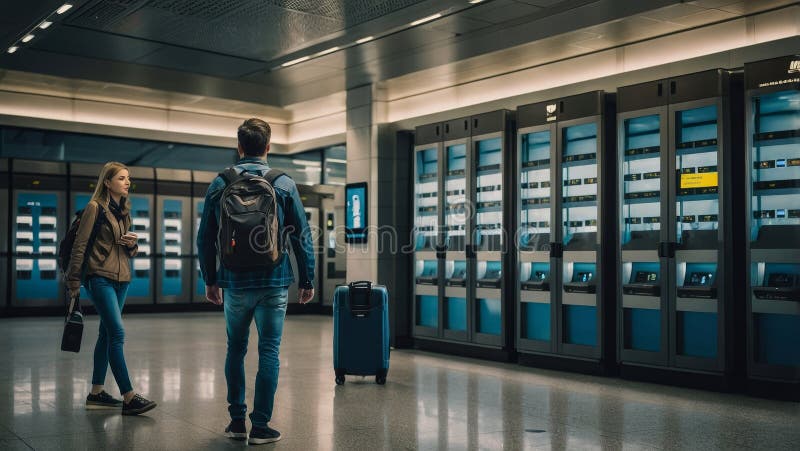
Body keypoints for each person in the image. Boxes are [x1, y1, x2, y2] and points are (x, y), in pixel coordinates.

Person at [197, 118, 316, 445]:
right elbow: (301, 236)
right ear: (268, 146)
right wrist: (307, 279)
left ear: (239, 146)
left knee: (235, 348)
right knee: (269, 351)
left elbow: (205, 237)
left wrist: (211, 279)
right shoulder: (283, 183)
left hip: (233, 282)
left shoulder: (221, 183)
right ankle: (261, 426)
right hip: (274, 279)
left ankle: (236, 422)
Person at [65, 161, 157, 416]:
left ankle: (96, 393)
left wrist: (132, 244)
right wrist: (74, 282)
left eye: (128, 178)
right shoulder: (95, 208)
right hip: (99, 277)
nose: (127, 182)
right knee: (117, 333)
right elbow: (79, 246)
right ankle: (128, 396)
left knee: (106, 335)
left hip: (122, 278)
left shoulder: (123, 212)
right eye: (121, 178)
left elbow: (130, 251)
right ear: (107, 182)